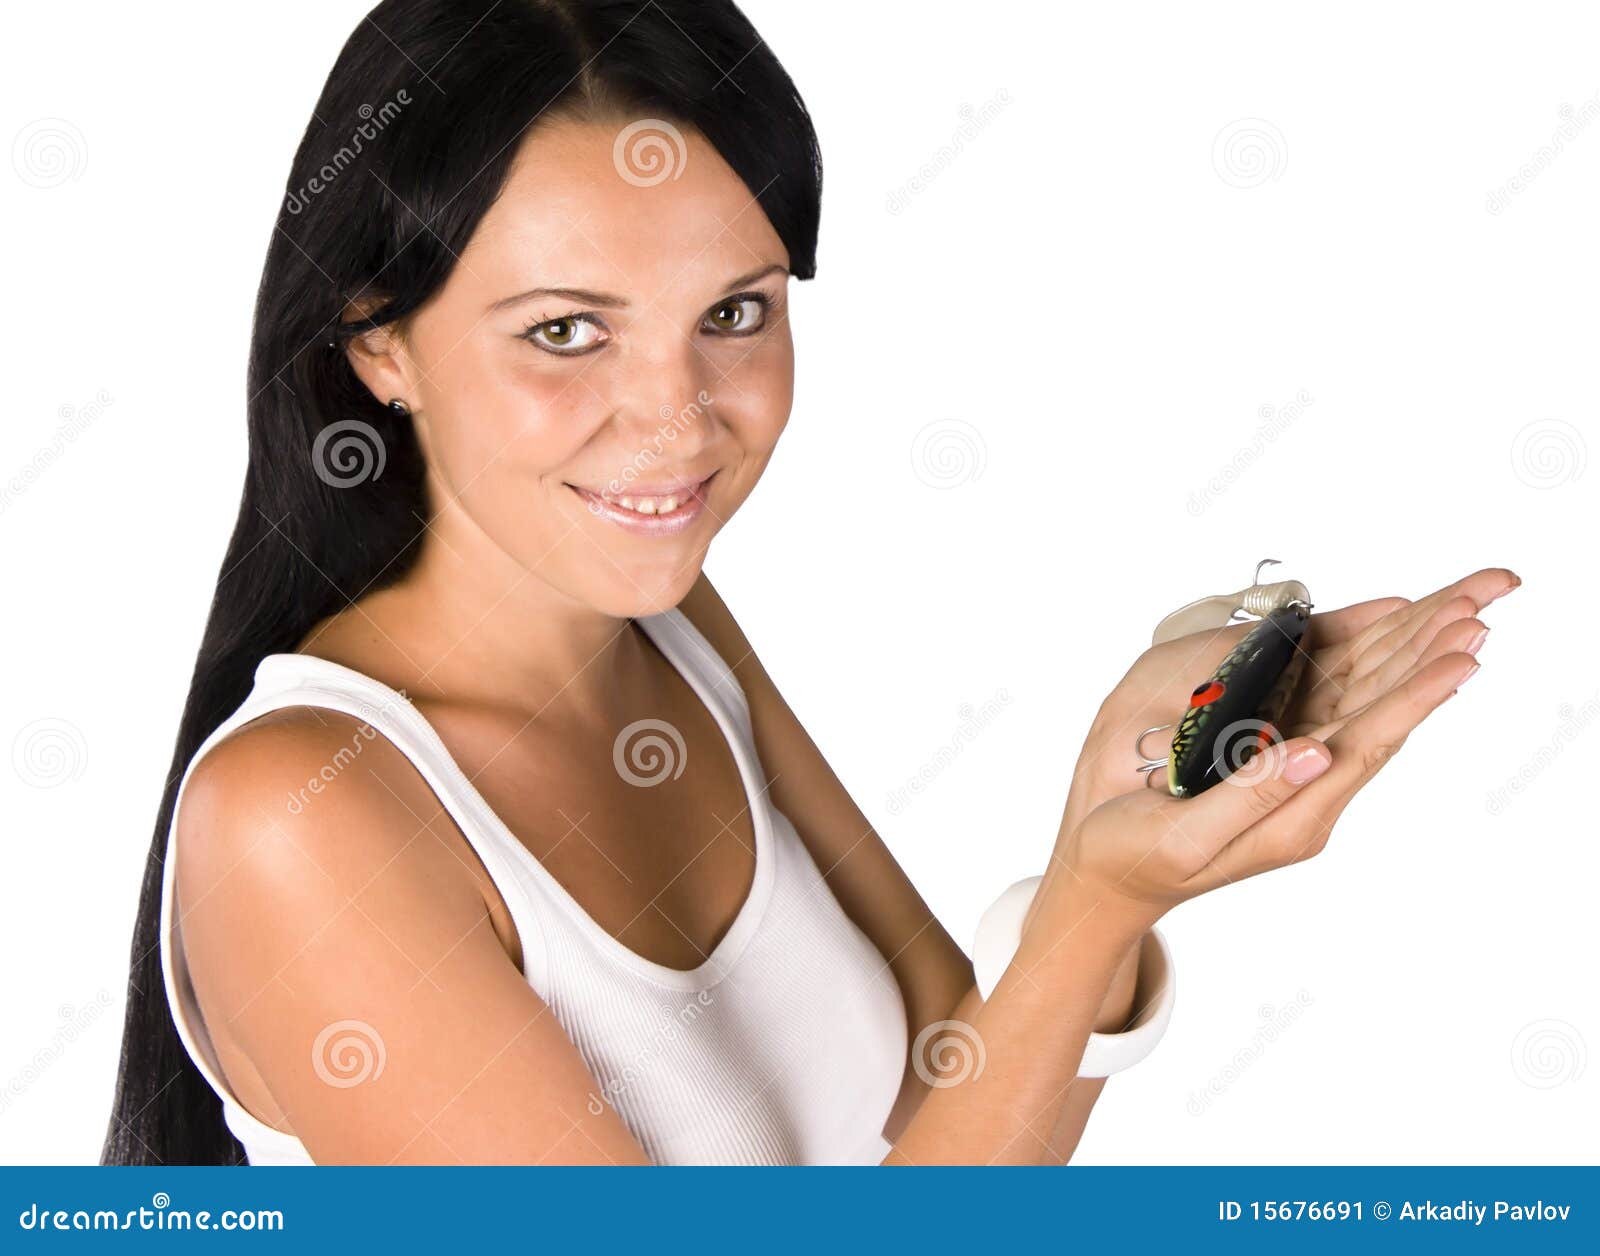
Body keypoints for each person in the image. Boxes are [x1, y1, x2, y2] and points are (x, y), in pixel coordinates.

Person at [101, 0, 1516, 1165]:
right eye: (567, 330)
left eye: (734, 312)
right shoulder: (300, 826)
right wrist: (1088, 907)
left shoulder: (667, 624)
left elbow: (939, 1119)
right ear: (379, 346)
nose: (677, 418)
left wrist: (1109, 863)